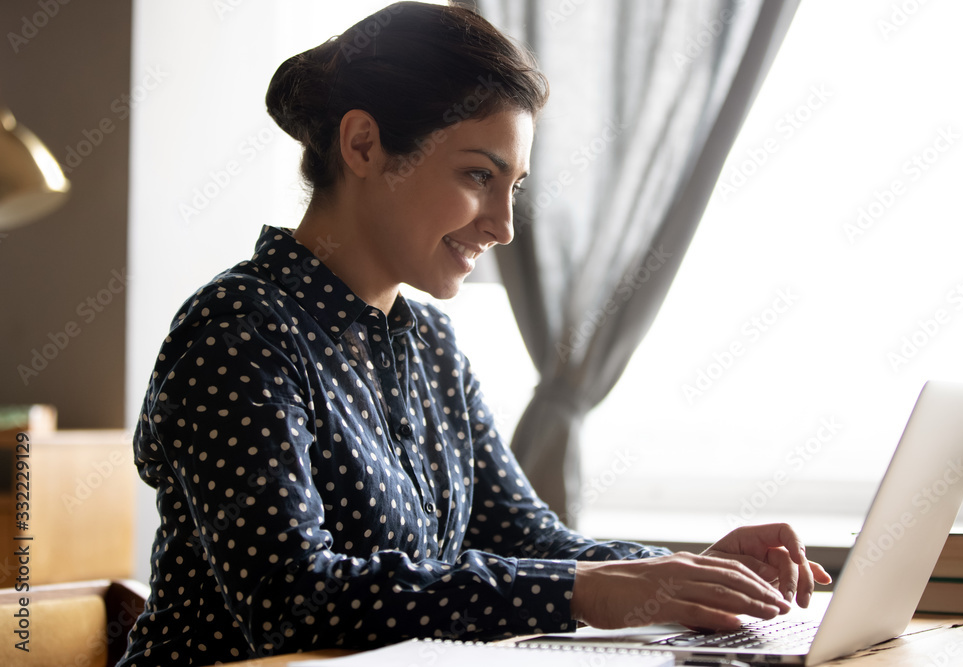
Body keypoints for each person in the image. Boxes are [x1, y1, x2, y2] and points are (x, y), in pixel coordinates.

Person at [118, 2, 830, 664]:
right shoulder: (239, 331)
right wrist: (591, 591)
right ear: (364, 145)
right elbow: (292, 599)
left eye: (512, 186)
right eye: (477, 175)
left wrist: (689, 571)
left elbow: (528, 540)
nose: (503, 224)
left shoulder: (430, 345)